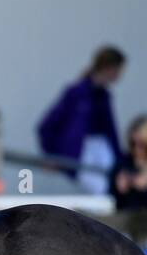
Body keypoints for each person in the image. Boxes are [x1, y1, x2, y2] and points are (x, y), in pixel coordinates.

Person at [37, 45, 126, 195]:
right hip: (80, 152)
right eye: (119, 70)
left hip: (100, 150)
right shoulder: (77, 93)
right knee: (102, 189)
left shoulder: (104, 96)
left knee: (115, 184)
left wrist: (122, 161)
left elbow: (111, 133)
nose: (120, 75)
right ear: (109, 68)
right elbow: (46, 126)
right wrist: (51, 154)